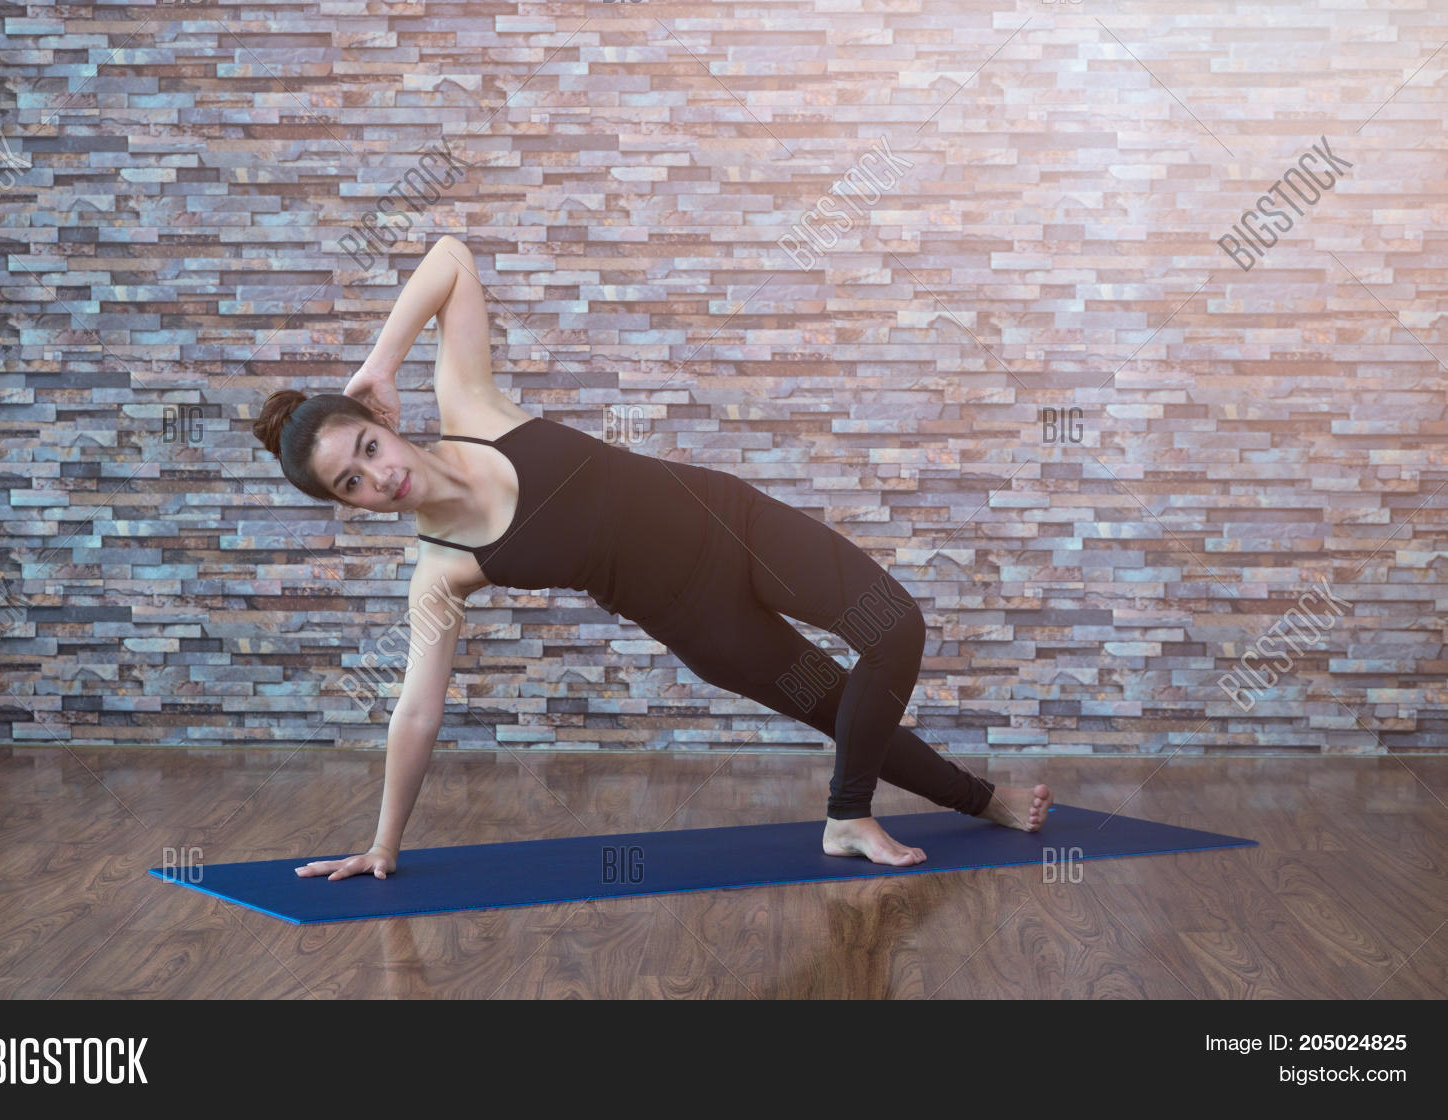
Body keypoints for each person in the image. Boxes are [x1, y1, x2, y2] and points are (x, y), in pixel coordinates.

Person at [252, 235, 1051, 880]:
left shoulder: (471, 404)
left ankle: (849, 814)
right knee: (839, 703)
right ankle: (964, 803)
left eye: (367, 444)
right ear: (348, 505)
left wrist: (382, 361)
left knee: (895, 625)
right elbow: (417, 713)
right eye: (350, 483)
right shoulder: (443, 570)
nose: (379, 475)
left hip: (732, 519)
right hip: (708, 626)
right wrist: (384, 845)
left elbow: (451, 257)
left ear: (381, 419)